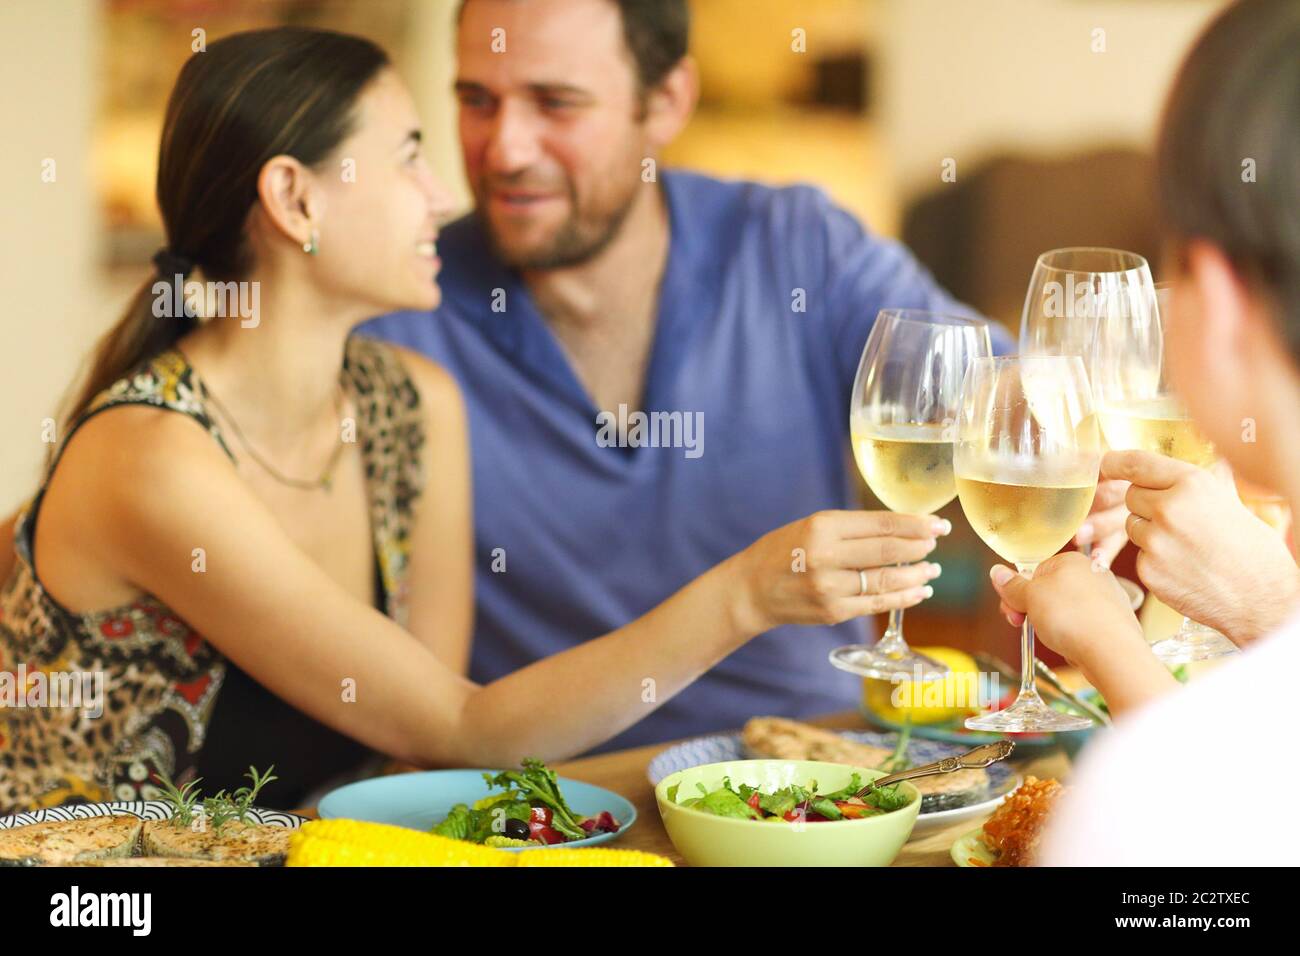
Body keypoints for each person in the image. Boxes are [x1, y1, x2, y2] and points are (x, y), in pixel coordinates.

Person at [0, 26, 947, 814]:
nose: (452, 192)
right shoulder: (151, 458)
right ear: (294, 199)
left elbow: (439, 765)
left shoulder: (412, 404)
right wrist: (750, 590)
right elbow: (460, 723)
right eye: (411, 156)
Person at [360, 0, 1016, 749]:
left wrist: (1070, 462)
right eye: (477, 100)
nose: (505, 149)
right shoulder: (398, 306)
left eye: (556, 103)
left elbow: (1001, 388)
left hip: (810, 776)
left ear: (666, 101)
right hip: (557, 806)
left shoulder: (795, 247)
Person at [987, 0, 1300, 864]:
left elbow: (1215, 831)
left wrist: (1111, 642)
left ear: (1218, 296)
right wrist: (1269, 608)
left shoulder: (1145, 798)